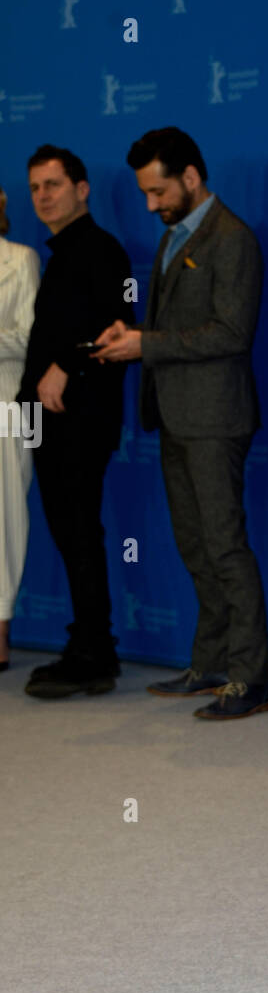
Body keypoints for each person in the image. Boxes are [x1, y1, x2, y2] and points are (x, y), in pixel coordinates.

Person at [94, 127, 268, 721]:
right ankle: (213, 662)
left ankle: (251, 679)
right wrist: (136, 340)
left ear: (191, 177)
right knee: (195, 546)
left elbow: (231, 333)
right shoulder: (175, 236)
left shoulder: (233, 238)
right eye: (145, 193)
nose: (150, 204)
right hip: (176, 416)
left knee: (224, 546)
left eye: (158, 190)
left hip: (216, 418)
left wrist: (146, 343)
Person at [17, 145, 133, 698]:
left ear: (82, 189)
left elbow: (117, 326)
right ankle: (90, 646)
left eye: (53, 185)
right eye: (36, 187)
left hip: (80, 420)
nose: (43, 196)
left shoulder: (99, 250)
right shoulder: (61, 253)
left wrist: (66, 365)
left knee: (80, 535)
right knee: (72, 535)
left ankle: (92, 652)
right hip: (51, 421)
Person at [0, 184, 40, 672]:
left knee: (7, 518)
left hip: (11, 404)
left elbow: (32, 336)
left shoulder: (22, 259)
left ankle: (2, 630)